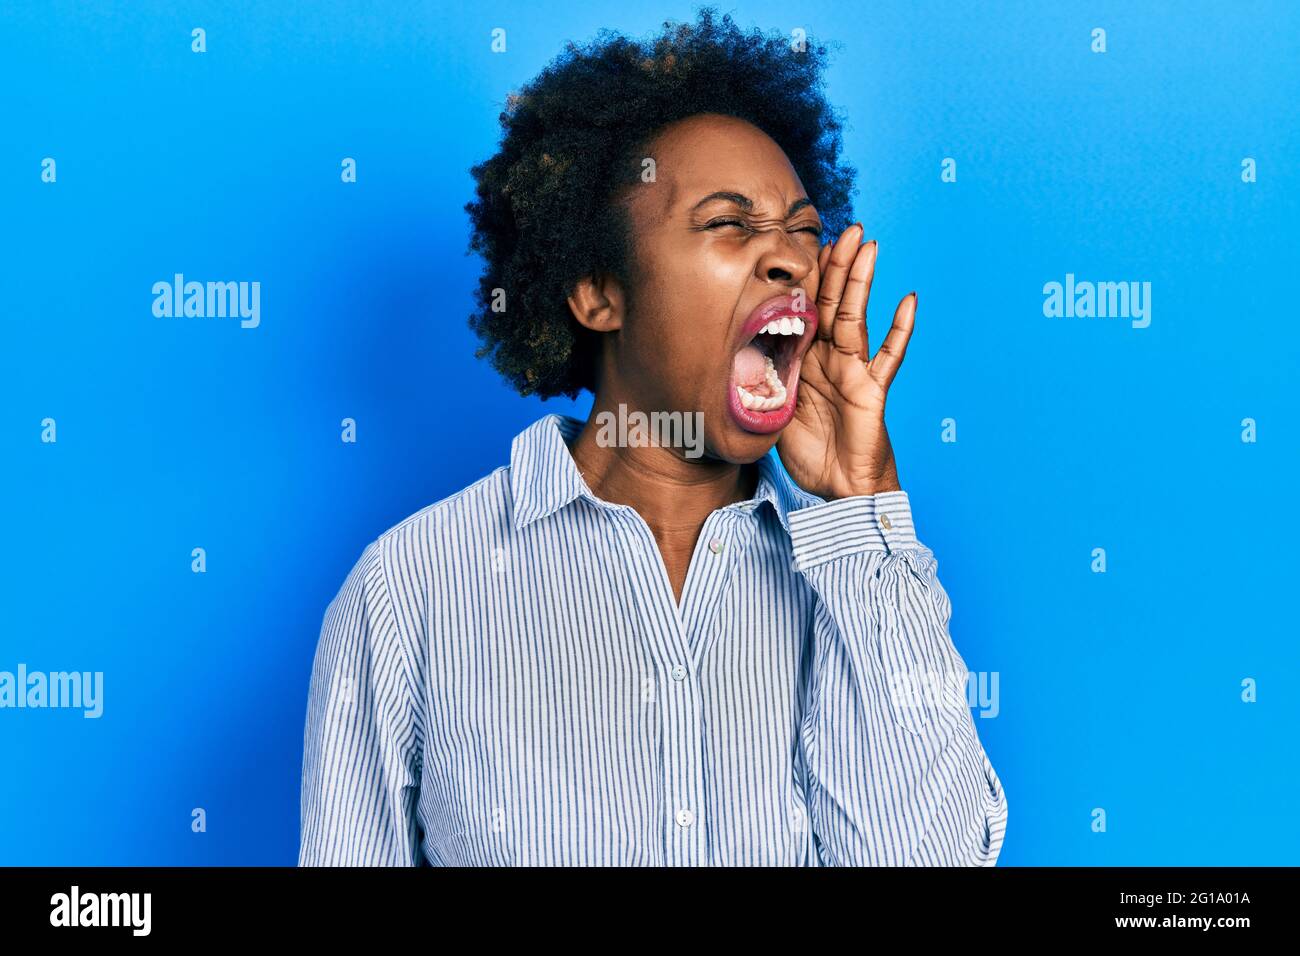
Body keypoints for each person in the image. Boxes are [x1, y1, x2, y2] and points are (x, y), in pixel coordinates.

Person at [299, 8, 1007, 866]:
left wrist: (859, 512)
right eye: (729, 224)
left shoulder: (851, 578)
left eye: (803, 231)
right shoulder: (408, 593)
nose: (789, 258)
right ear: (598, 293)